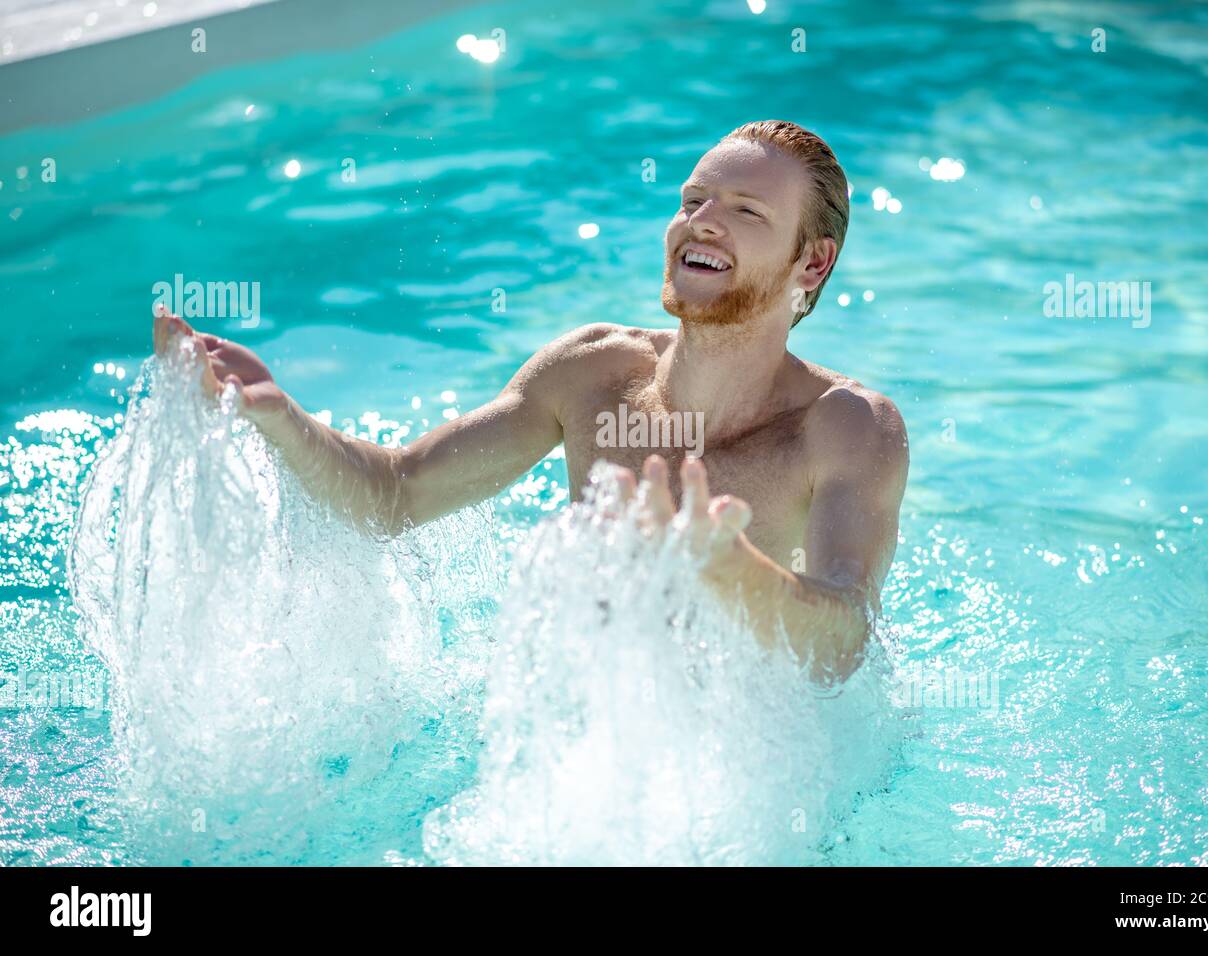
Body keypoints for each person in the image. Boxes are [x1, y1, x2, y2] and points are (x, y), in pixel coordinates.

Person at [152, 120, 909, 682]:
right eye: (693, 199)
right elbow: (396, 493)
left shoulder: (844, 428)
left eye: (747, 211)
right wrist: (280, 418)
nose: (701, 220)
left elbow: (843, 642)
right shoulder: (592, 375)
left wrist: (729, 568)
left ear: (812, 262)